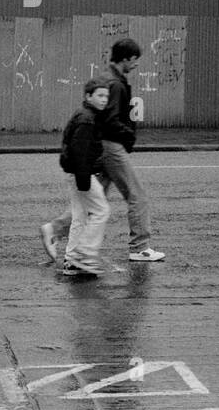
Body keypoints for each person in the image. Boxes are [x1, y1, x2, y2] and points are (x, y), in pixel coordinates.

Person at [41, 36, 166, 264]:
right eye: (134, 59)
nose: (136, 64)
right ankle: (140, 247)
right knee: (137, 195)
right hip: (111, 146)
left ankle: (54, 229)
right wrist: (129, 134)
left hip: (102, 145)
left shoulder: (107, 78)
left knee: (93, 201)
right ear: (125, 59)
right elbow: (110, 120)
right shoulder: (116, 84)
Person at [54, 76, 112, 276]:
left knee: (80, 217)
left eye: (106, 96)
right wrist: (84, 180)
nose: (104, 100)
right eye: (100, 95)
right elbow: (80, 152)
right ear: (88, 96)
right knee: (101, 211)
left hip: (76, 173)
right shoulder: (87, 120)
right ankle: (85, 254)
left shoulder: (87, 115)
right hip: (82, 174)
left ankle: (72, 261)